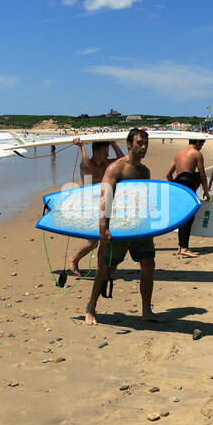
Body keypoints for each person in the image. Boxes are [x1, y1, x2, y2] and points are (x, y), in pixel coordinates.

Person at [86, 128, 157, 325]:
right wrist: (104, 226)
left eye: (145, 144)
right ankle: (91, 307)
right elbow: (105, 198)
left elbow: (144, 199)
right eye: (139, 143)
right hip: (119, 226)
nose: (143, 147)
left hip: (140, 226)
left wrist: (151, 223)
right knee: (106, 269)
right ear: (129, 144)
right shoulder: (116, 168)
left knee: (149, 264)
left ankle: (146, 310)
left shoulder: (145, 171)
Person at [68, 138, 124, 274]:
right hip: (90, 206)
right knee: (94, 241)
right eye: (105, 151)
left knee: (104, 239)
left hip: (105, 205)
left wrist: (113, 144)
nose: (107, 154)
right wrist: (81, 146)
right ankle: (75, 260)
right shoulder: (87, 167)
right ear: (96, 152)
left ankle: (101, 268)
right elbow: (86, 164)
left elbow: (122, 160)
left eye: (108, 151)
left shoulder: (107, 164)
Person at [167, 138, 207, 258]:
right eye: (202, 144)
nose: (202, 146)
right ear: (198, 142)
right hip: (189, 184)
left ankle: (180, 247)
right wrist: (206, 191)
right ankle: (184, 248)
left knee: (182, 216)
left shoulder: (179, 154)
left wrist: (175, 186)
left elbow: (168, 174)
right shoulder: (197, 153)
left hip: (179, 183)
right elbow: (202, 174)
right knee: (189, 216)